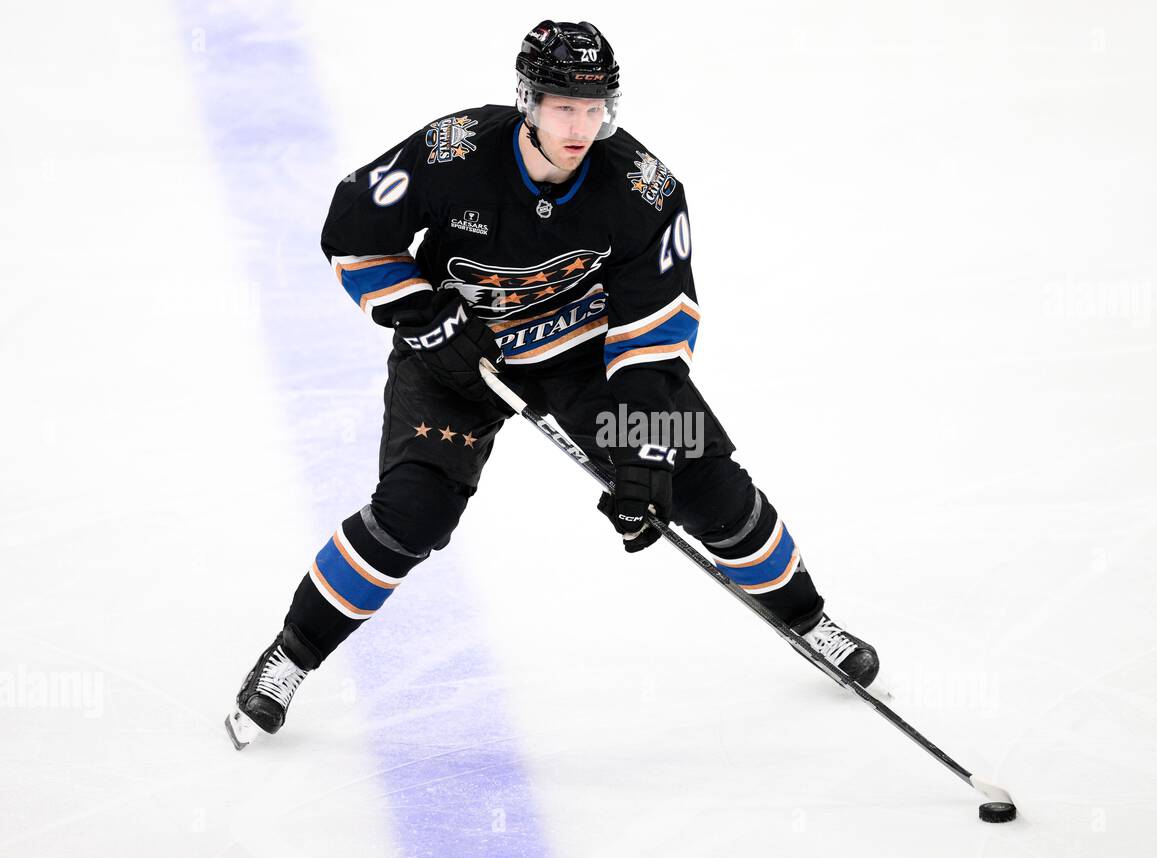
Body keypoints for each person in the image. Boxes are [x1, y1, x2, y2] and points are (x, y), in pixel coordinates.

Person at [226, 20, 879, 750]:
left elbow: (655, 335)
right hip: (456, 358)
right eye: (565, 106)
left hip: (585, 357)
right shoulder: (453, 152)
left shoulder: (642, 188)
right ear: (528, 101)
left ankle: (809, 621)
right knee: (412, 514)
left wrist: (643, 452)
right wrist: (428, 318)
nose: (582, 126)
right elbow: (352, 231)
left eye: (597, 107)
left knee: (705, 483)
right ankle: (289, 656)